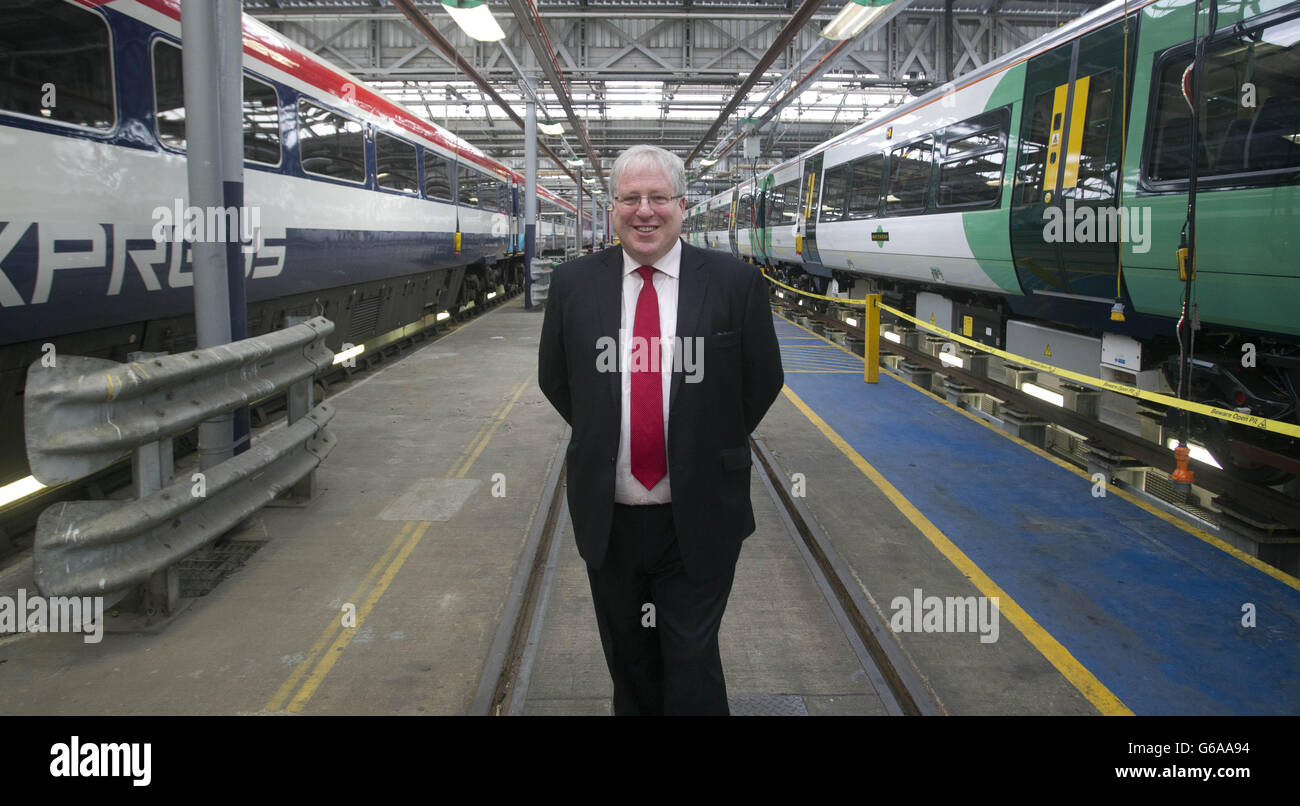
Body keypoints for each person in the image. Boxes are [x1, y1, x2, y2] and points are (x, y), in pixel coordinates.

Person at [537, 144, 784, 715]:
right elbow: (557, 379)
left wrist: (698, 441)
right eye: (630, 198)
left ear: (681, 204)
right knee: (629, 657)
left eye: (657, 198)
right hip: (611, 515)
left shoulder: (734, 283)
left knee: (691, 657)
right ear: (613, 207)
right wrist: (612, 434)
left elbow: (761, 381)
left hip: (697, 512)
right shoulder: (575, 284)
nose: (644, 210)